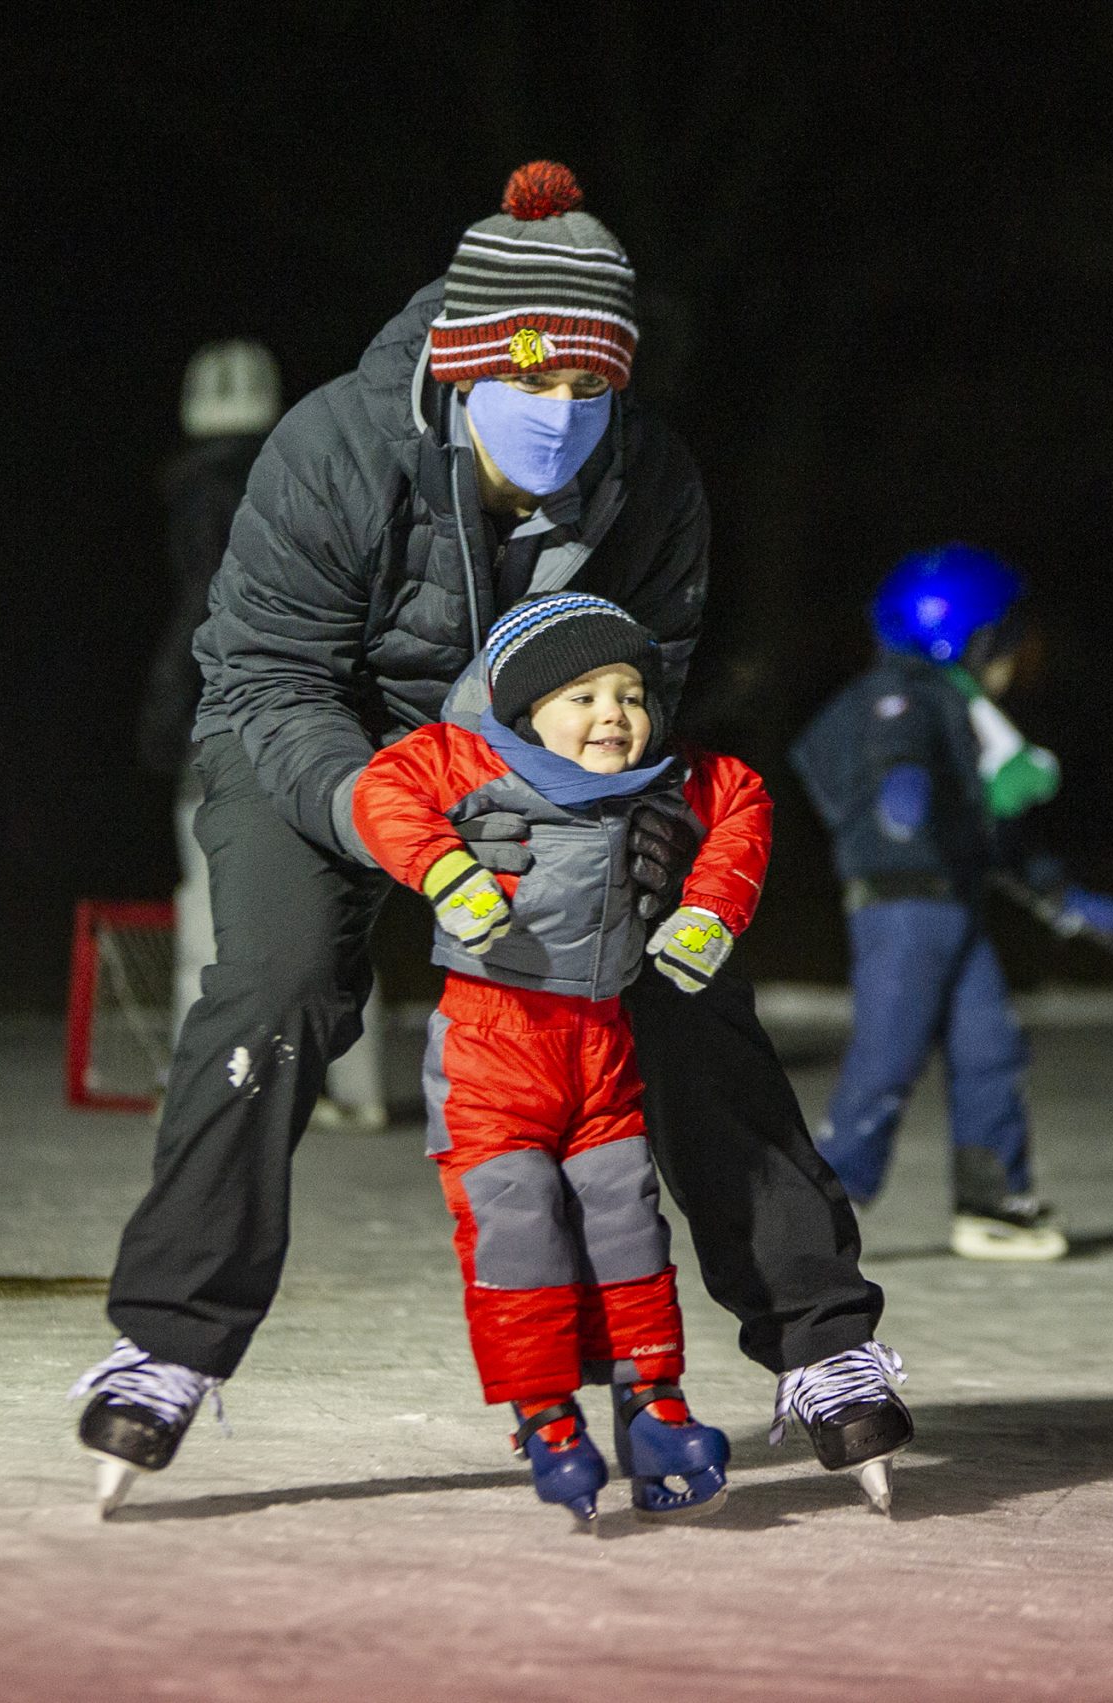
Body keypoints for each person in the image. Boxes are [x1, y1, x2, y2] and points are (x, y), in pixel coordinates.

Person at [72, 161, 911, 1517]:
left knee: (681, 981)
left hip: (551, 762)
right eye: (532, 385)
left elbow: (641, 694)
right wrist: (396, 827)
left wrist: (644, 832)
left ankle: (820, 1335)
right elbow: (267, 684)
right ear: (465, 369)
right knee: (274, 985)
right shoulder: (332, 449)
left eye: (593, 389)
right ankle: (168, 1334)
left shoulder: (654, 488)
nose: (563, 417)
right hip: (321, 745)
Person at [347, 592, 750, 1524]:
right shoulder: (473, 759)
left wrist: (710, 907)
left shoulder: (660, 776)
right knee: (516, 1223)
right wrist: (446, 870)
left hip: (600, 1044)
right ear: (525, 709)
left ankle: (654, 1406)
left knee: (626, 1219)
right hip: (494, 1046)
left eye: (630, 693)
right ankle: (544, 1410)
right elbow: (381, 790)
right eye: (584, 695)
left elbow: (743, 801)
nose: (615, 713)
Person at [789, 544, 1113, 1262]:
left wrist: (1064, 898)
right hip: (901, 910)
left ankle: (992, 1199)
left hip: (955, 905)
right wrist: (902, 782)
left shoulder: (962, 712)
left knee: (991, 1048)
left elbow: (993, 836)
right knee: (887, 1056)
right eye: (1010, 644)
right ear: (970, 636)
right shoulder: (906, 692)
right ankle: (818, 1209)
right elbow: (899, 736)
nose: (1018, 662)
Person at [138, 338, 386, 1127]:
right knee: (335, 906)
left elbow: (203, 616)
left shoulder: (199, 497)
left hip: (227, 731)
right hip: (323, 724)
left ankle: (209, 1079)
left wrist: (165, 712)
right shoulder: (325, 481)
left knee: (213, 915)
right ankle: (351, 1087)